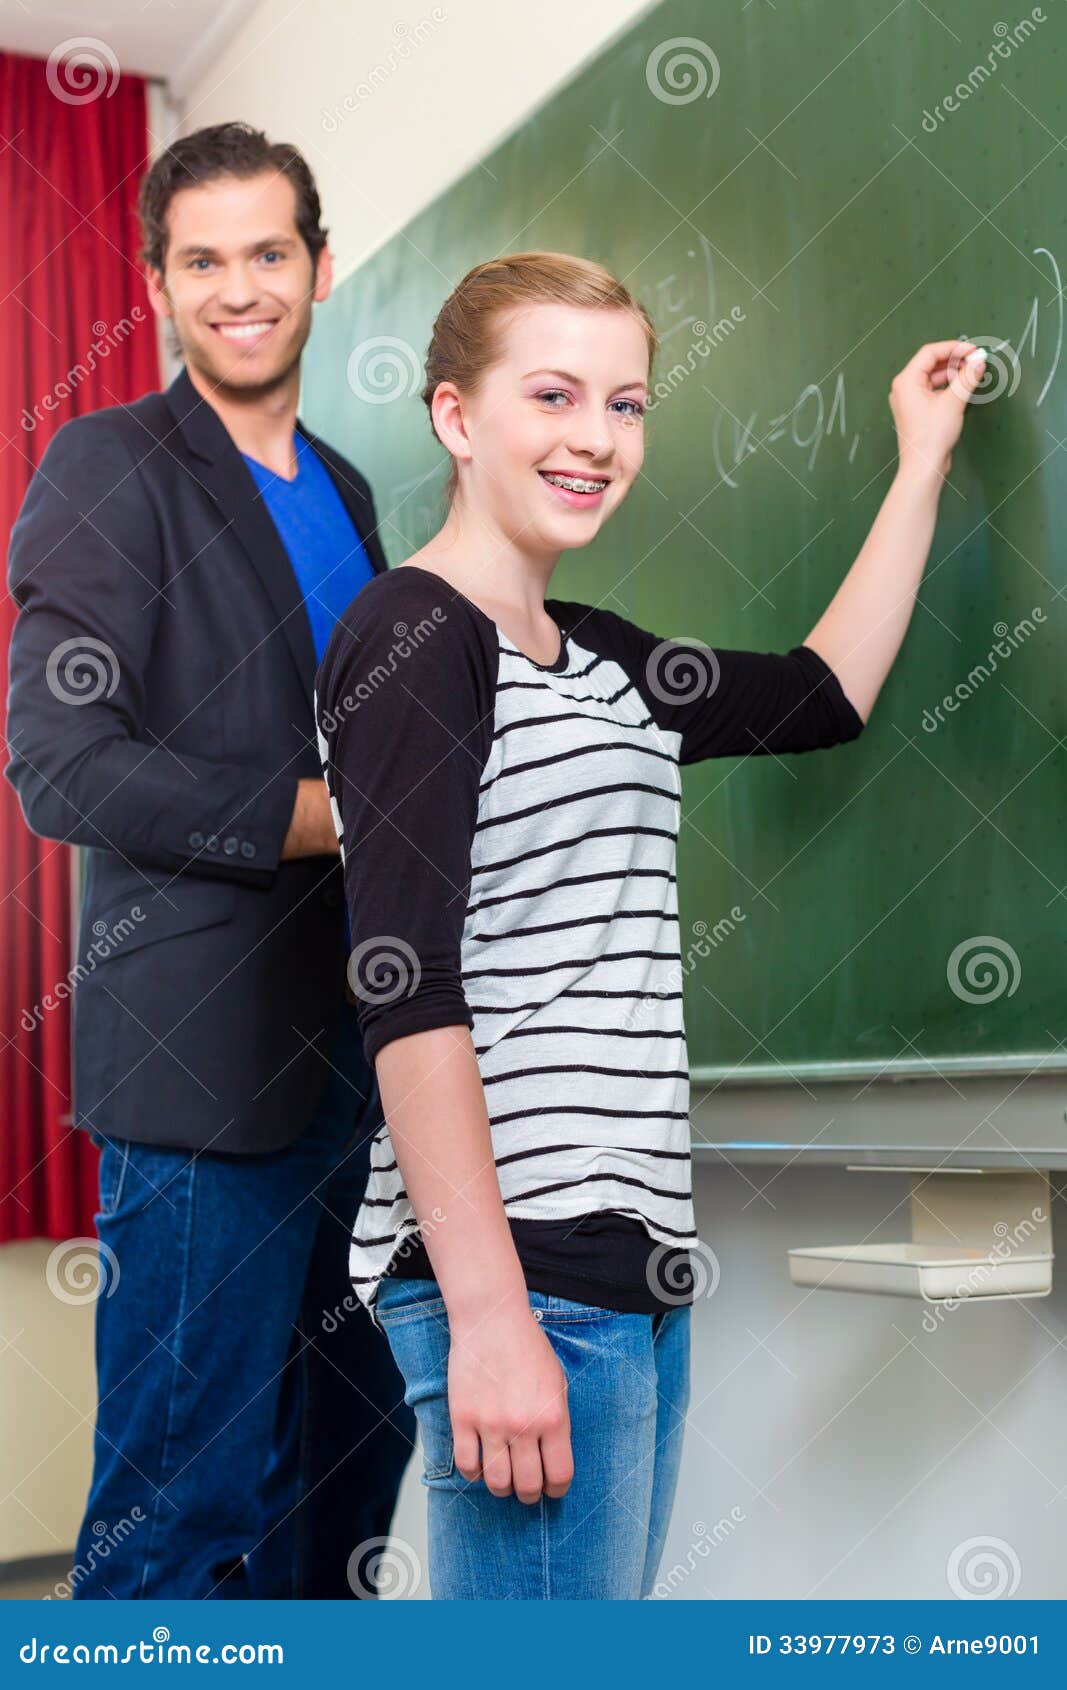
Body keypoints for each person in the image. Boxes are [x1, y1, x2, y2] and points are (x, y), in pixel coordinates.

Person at [316, 251, 985, 1600]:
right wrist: (490, 1316)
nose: (597, 438)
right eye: (553, 395)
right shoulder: (415, 636)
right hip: (522, 1265)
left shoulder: (602, 655)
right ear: (455, 415)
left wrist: (921, 461)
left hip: (626, 1263)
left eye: (626, 405)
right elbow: (404, 986)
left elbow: (820, 696)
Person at [4, 122, 413, 1598]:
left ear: (319, 265)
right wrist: (320, 816)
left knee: (347, 1483)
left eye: (267, 253)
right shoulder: (112, 466)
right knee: (183, 1516)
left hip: (370, 1072)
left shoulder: (348, 490)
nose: (239, 289)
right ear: (158, 287)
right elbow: (58, 764)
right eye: (202, 262)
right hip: (203, 1079)